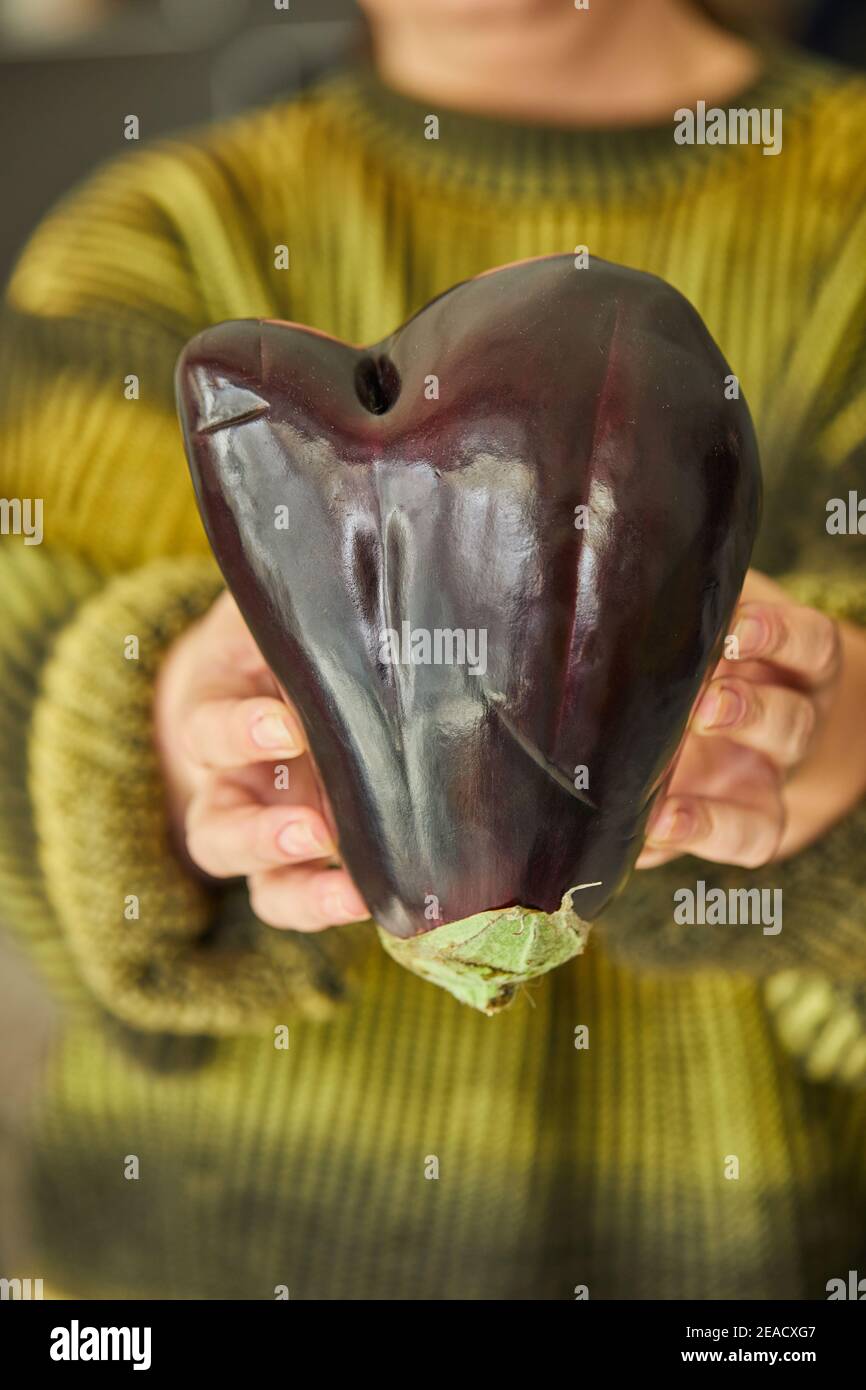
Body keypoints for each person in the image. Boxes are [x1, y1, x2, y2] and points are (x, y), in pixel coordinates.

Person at [1, 0, 865, 1299]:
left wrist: (841, 763)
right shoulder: (156, 229)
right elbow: (22, 634)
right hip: (207, 1247)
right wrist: (142, 739)